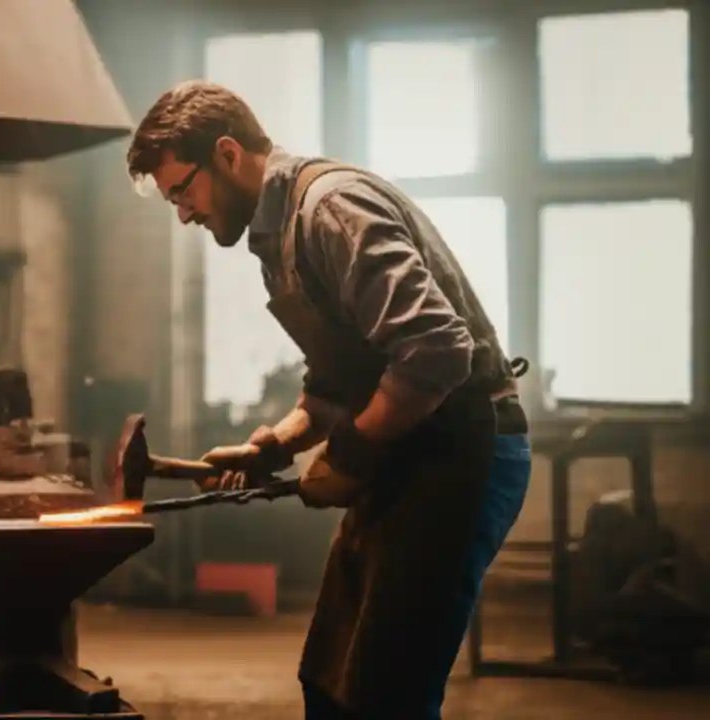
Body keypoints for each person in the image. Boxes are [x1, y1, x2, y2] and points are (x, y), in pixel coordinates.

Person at [126, 80, 533, 719]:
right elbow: (339, 380)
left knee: (386, 692)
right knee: (332, 679)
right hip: (411, 450)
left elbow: (435, 350)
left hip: (464, 451)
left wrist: (348, 456)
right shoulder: (276, 231)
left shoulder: (330, 210)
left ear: (228, 154)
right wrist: (278, 442)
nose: (183, 213)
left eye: (184, 190)